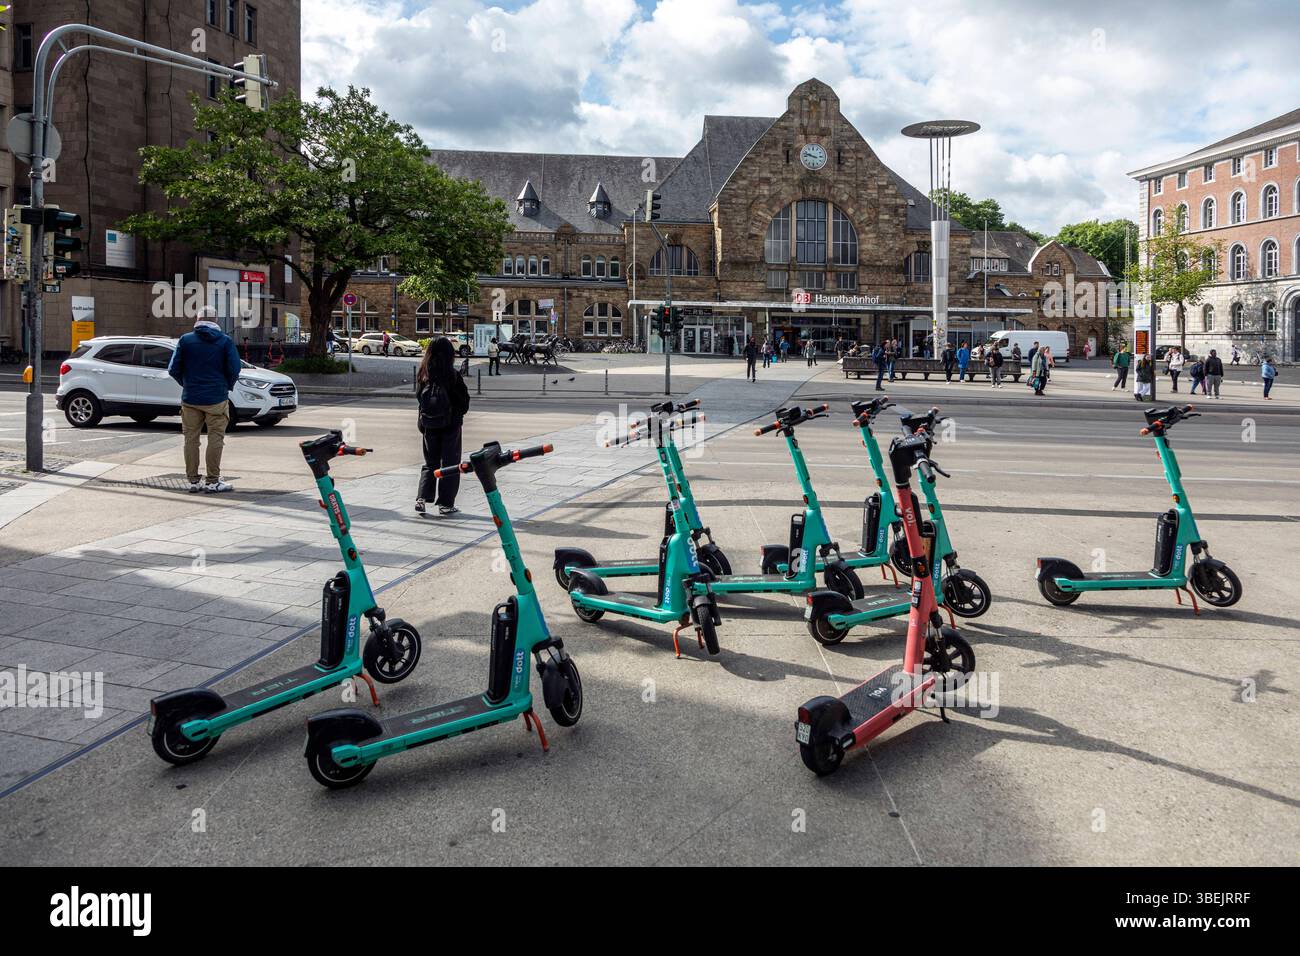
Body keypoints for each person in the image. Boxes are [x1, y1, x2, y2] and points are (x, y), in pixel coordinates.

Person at [167, 308, 241, 494]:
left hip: (191, 398)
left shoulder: (185, 340)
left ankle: (193, 480)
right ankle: (212, 481)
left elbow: (173, 369)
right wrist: (225, 386)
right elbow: (234, 369)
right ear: (216, 319)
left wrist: (187, 384)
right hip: (216, 398)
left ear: (197, 319)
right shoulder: (224, 341)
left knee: (190, 440)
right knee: (216, 438)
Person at [415, 337, 472, 515]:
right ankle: (445, 504)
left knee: (430, 463)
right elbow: (463, 403)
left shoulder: (424, 374)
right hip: (450, 425)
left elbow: (419, 398)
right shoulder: (452, 375)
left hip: (429, 424)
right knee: (450, 463)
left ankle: (422, 498)